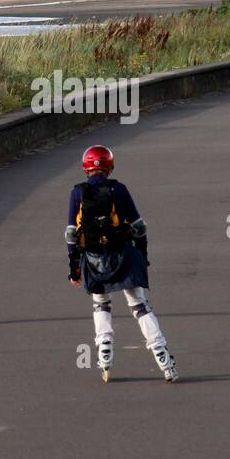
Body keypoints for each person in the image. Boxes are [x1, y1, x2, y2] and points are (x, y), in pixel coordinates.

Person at [65, 145, 178, 383]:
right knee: (139, 306)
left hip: (94, 259)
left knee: (101, 304)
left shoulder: (77, 193)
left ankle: (104, 352)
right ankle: (162, 356)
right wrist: (142, 256)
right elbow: (138, 226)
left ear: (86, 167)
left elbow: (71, 234)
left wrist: (74, 267)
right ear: (110, 165)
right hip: (123, 256)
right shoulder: (119, 188)